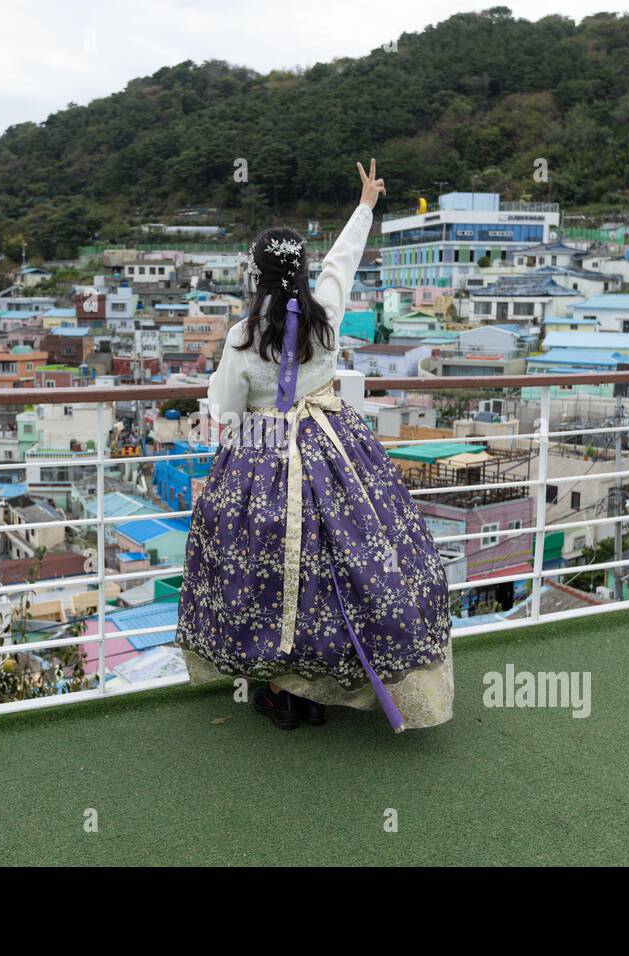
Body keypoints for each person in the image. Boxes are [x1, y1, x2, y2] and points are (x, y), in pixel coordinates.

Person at [174, 160, 453, 733]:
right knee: (343, 562)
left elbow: (225, 409)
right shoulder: (325, 316)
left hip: (262, 449)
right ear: (301, 271)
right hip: (335, 445)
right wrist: (366, 204)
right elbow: (343, 262)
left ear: (256, 278)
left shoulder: (243, 337)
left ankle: (281, 687)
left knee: (266, 567)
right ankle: (321, 684)